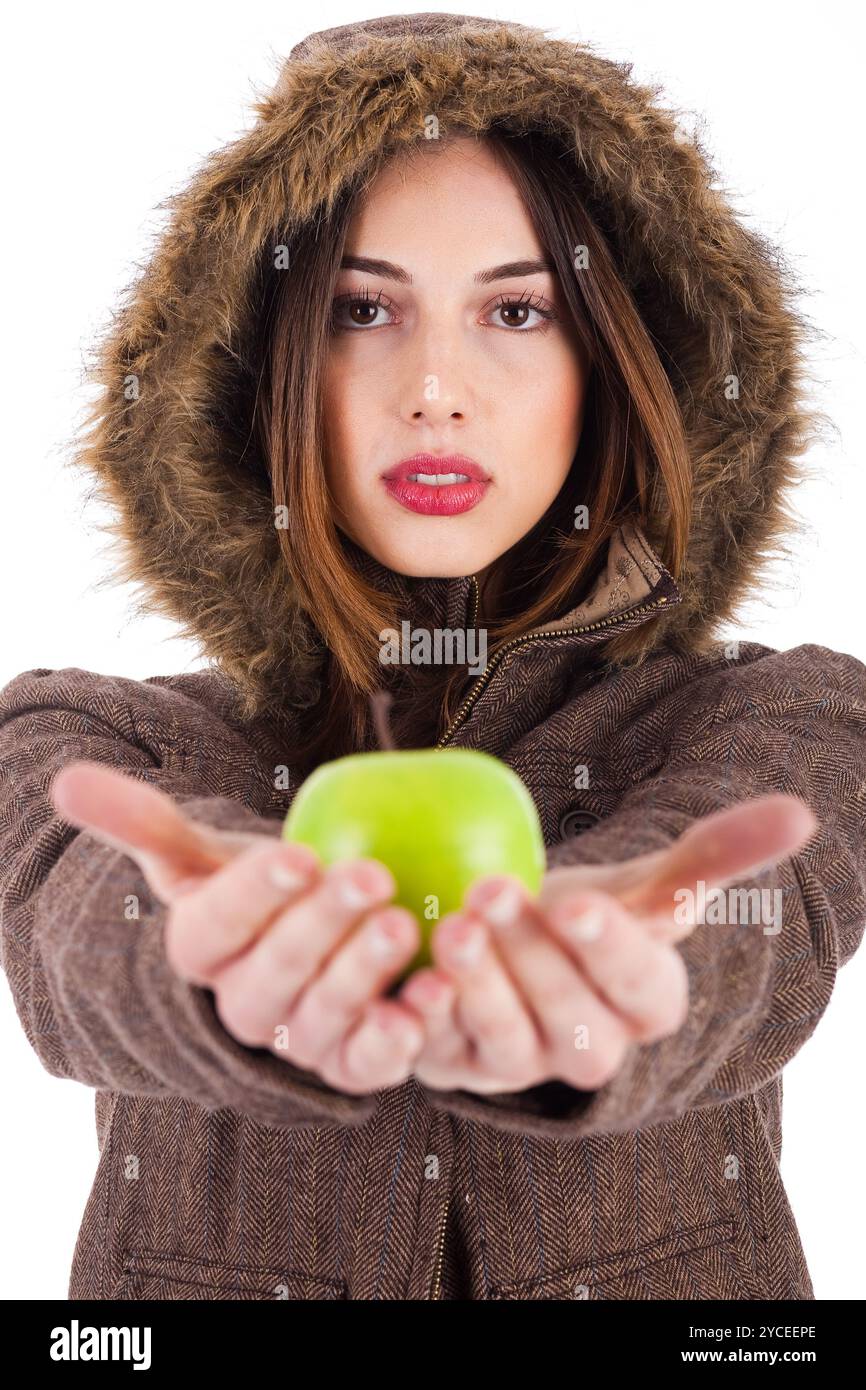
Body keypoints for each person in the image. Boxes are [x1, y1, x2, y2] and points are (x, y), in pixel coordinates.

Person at [1, 12, 864, 1302]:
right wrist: (215, 964)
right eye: (361, 308)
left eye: (517, 309)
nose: (437, 388)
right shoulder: (88, 745)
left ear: (623, 368)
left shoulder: (786, 719)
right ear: (254, 368)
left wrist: (589, 995)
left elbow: (756, 914)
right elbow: (78, 932)